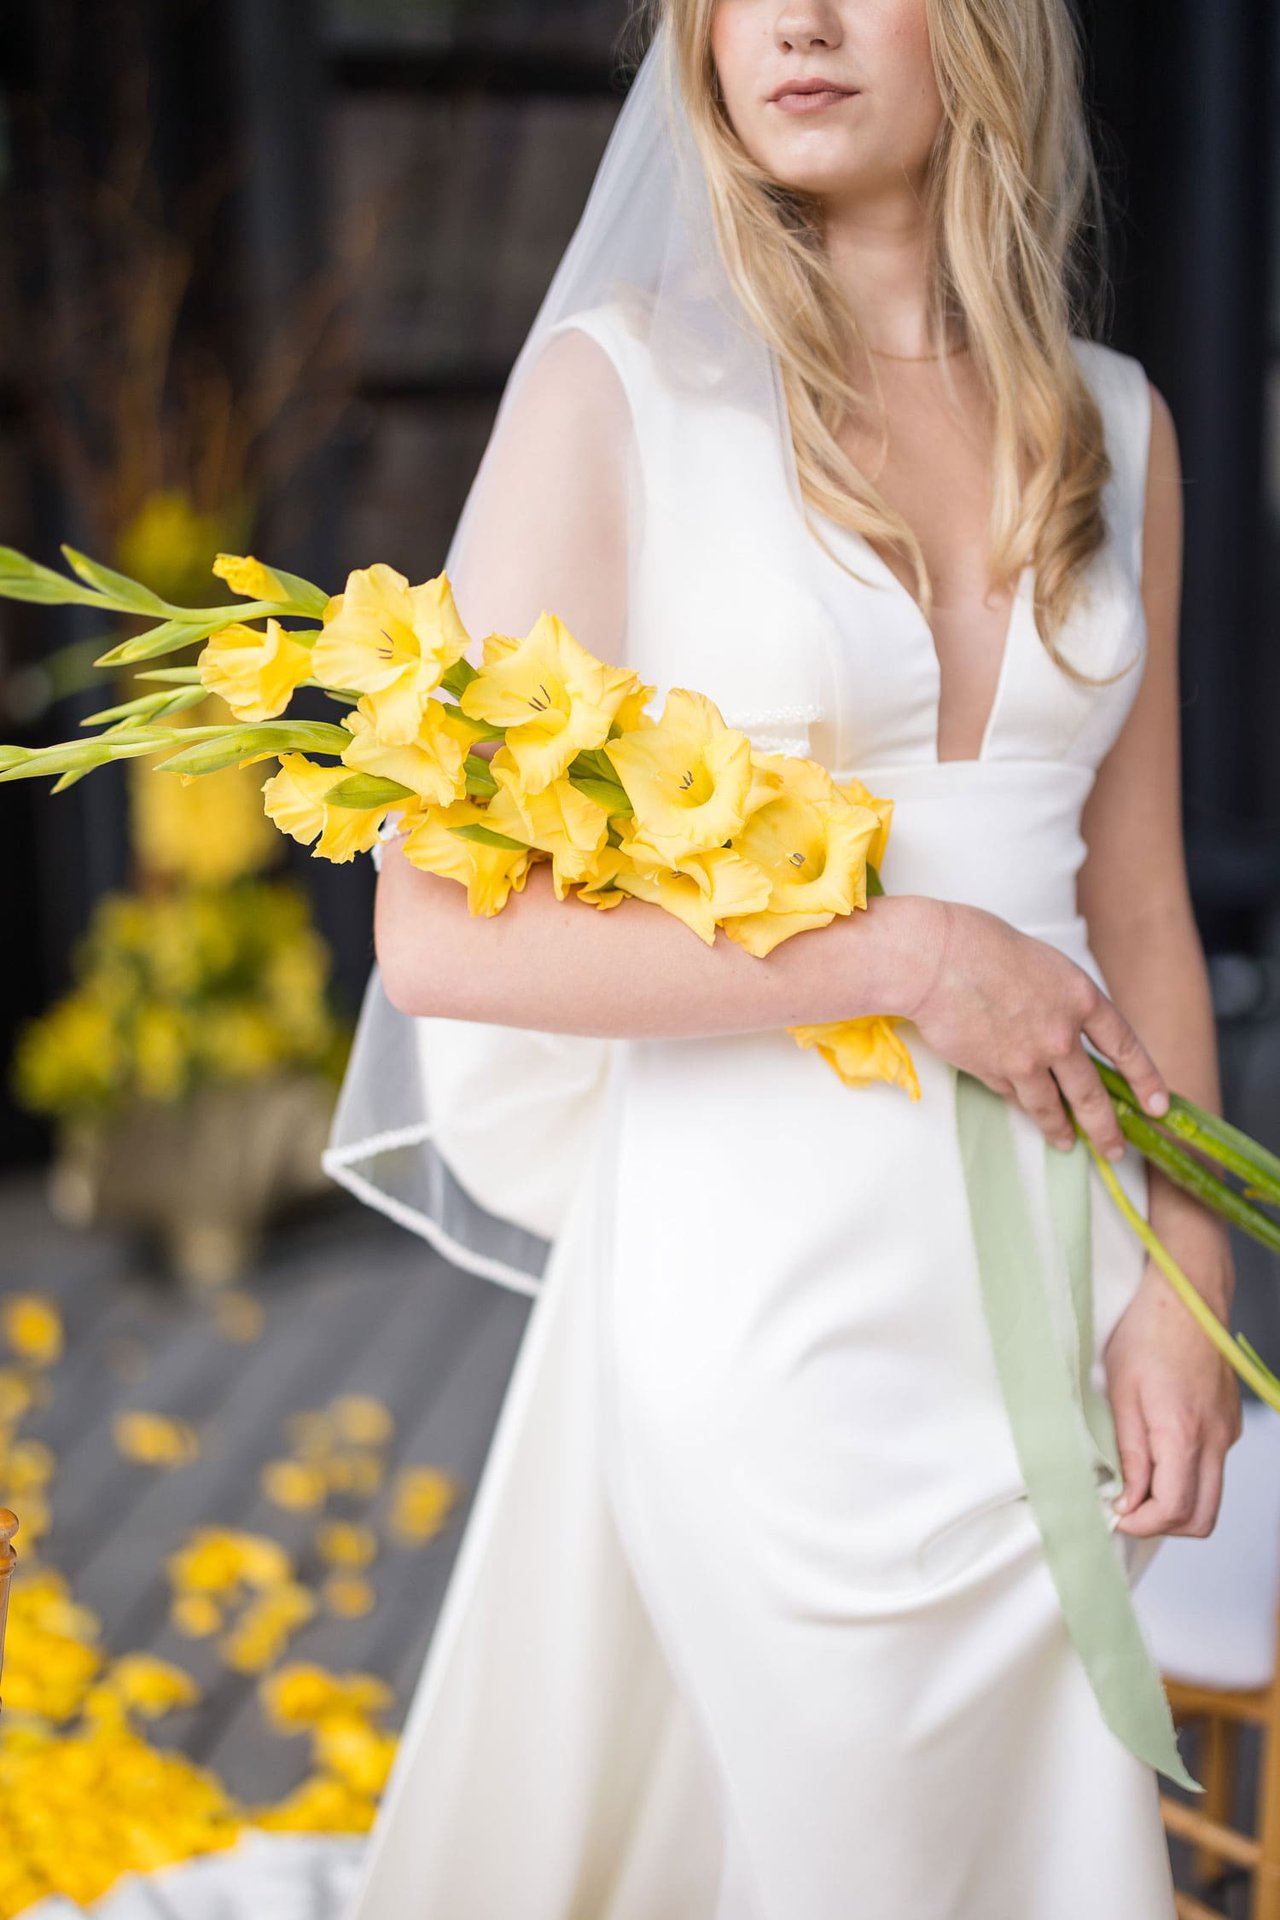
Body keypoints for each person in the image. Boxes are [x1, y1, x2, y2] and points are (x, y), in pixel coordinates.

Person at [322, 3, 1244, 1916]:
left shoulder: (1124, 426)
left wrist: (1189, 1271)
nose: (795, 24)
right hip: (764, 1298)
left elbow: (1134, 901)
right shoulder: (621, 396)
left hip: (1072, 1276)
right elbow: (433, 933)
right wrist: (903, 954)